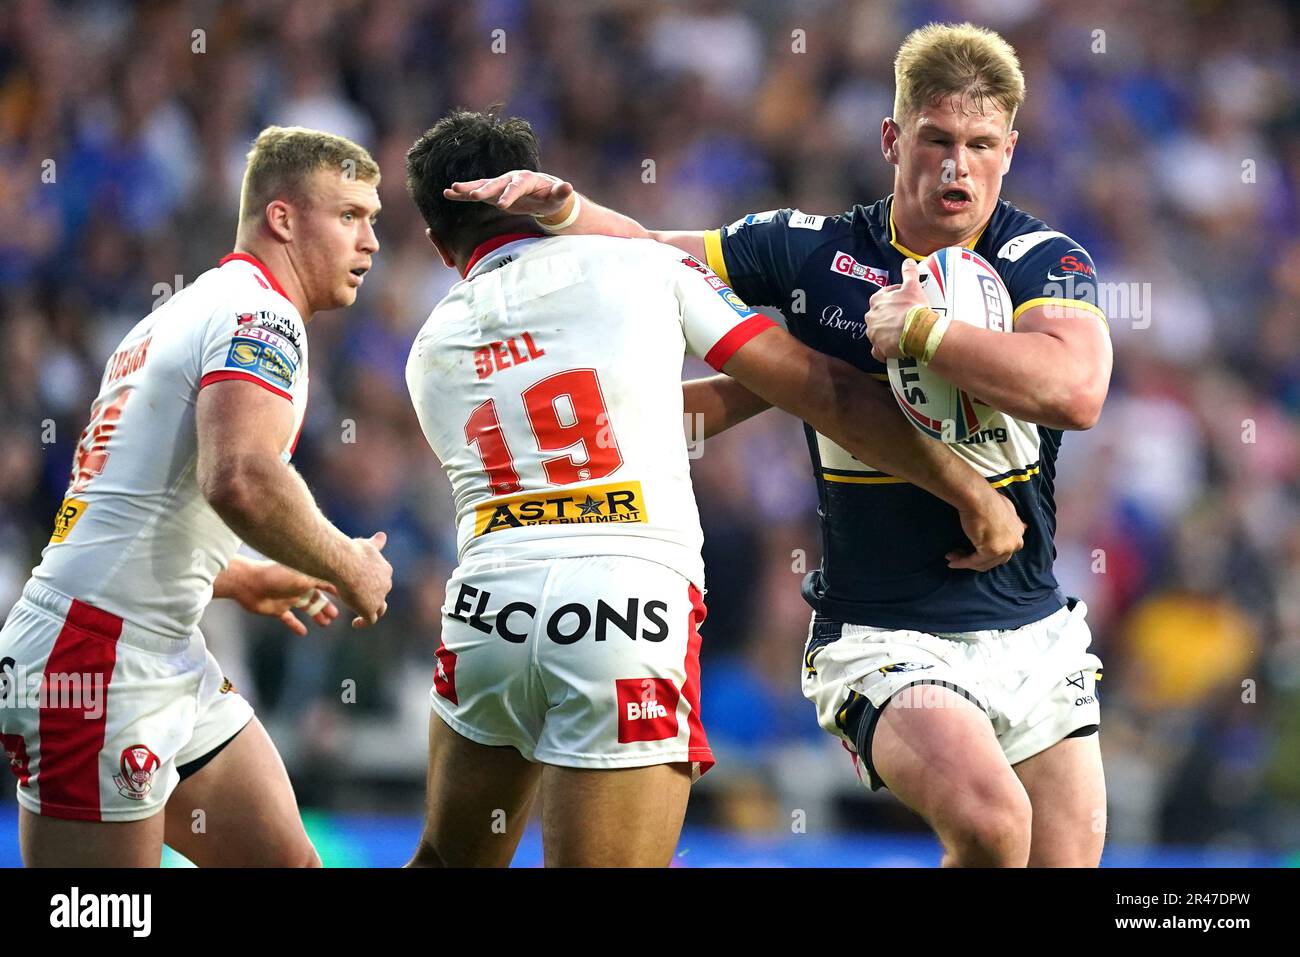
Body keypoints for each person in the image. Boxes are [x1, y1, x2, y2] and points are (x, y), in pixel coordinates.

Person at [442, 21, 1113, 867]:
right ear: (891, 137)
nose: (956, 165)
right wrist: (568, 211)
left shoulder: (1039, 257)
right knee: (990, 825)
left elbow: (1077, 390)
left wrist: (928, 335)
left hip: (1031, 627)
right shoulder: (812, 252)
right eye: (936, 139)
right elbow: (651, 260)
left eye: (981, 144)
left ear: (1010, 150)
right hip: (885, 633)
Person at [0, 126, 393, 867]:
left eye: (372, 218)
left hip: (157, 648)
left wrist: (241, 576)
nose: (370, 240)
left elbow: (127, 510)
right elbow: (238, 476)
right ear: (282, 217)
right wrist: (348, 560)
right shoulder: (262, 317)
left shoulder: (177, 315)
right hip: (96, 661)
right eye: (349, 215)